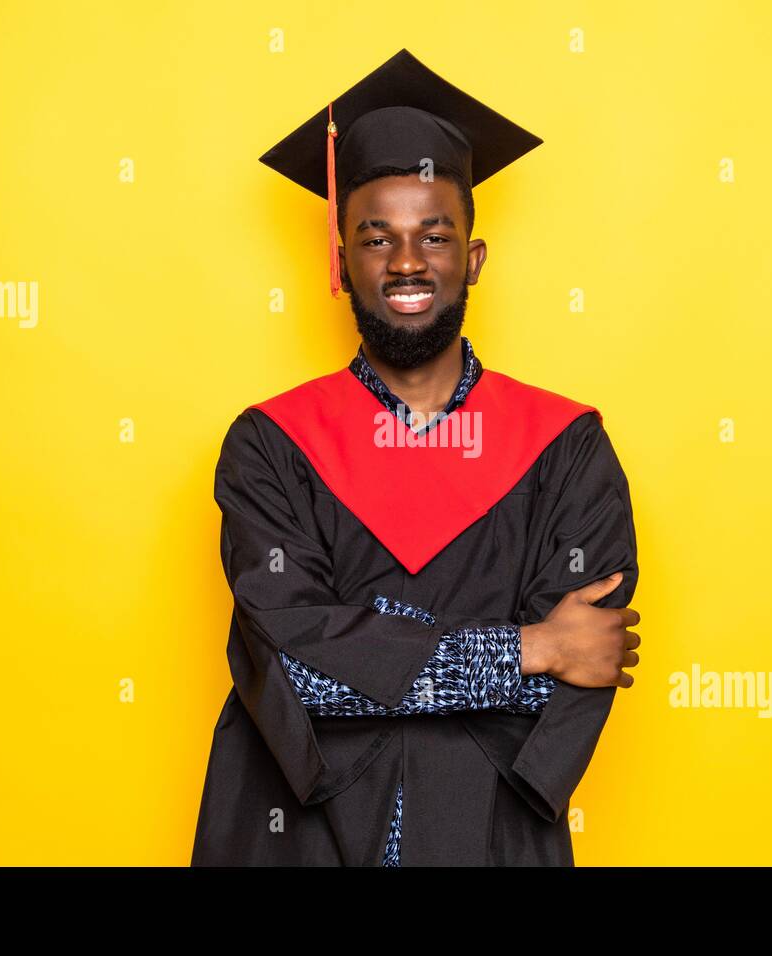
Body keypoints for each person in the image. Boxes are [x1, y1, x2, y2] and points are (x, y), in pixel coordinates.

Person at [190, 49, 641, 866]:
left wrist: (365, 649)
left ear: (471, 260)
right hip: (297, 836)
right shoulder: (270, 445)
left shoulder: (565, 447)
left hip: (488, 834)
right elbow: (290, 671)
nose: (406, 263)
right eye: (377, 239)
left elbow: (585, 670)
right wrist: (524, 647)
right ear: (340, 261)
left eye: (434, 235)